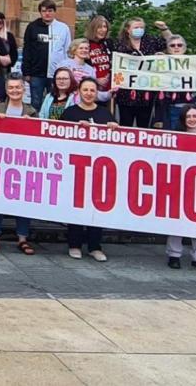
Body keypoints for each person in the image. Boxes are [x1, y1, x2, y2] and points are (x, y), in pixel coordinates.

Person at [60, 77, 119, 261]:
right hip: (76, 167)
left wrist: (115, 128)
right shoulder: (70, 113)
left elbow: (117, 142)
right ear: (79, 92)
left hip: (99, 170)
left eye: (92, 90)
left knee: (96, 208)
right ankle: (74, 244)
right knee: (76, 207)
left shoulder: (105, 114)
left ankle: (95, 246)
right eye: (85, 90)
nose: (89, 93)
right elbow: (59, 136)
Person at [0, 74, 38, 255]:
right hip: (0, 161)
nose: (15, 90)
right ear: (6, 90)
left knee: (24, 199)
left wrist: (32, 125)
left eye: (18, 87)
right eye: (11, 88)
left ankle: (23, 238)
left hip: (24, 163)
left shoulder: (31, 112)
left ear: (23, 89)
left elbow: (40, 138)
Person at [165, 105, 196, 273]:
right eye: (188, 116)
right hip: (179, 183)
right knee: (176, 220)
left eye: (195, 116)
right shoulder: (176, 137)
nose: (192, 119)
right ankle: (174, 254)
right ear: (183, 120)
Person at [112, 16, 171, 128]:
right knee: (125, 124)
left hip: (146, 94)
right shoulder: (118, 45)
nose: (139, 29)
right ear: (127, 29)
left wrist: (164, 28)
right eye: (136, 27)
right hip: (126, 94)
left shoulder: (150, 41)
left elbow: (171, 41)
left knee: (144, 126)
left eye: (141, 27)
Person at [21, 0, 72, 110]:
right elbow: (27, 50)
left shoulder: (63, 28)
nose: (47, 13)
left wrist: (67, 70)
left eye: (50, 10)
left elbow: (67, 51)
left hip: (57, 73)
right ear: (40, 12)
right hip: (36, 73)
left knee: (55, 101)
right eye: (44, 11)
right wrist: (26, 72)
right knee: (36, 102)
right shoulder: (32, 27)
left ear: (54, 12)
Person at [84, 15, 116, 102]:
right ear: (93, 28)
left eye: (105, 27)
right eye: (99, 27)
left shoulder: (109, 43)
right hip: (91, 86)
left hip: (109, 86)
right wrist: (96, 79)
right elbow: (81, 66)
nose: (103, 30)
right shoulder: (86, 43)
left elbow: (115, 61)